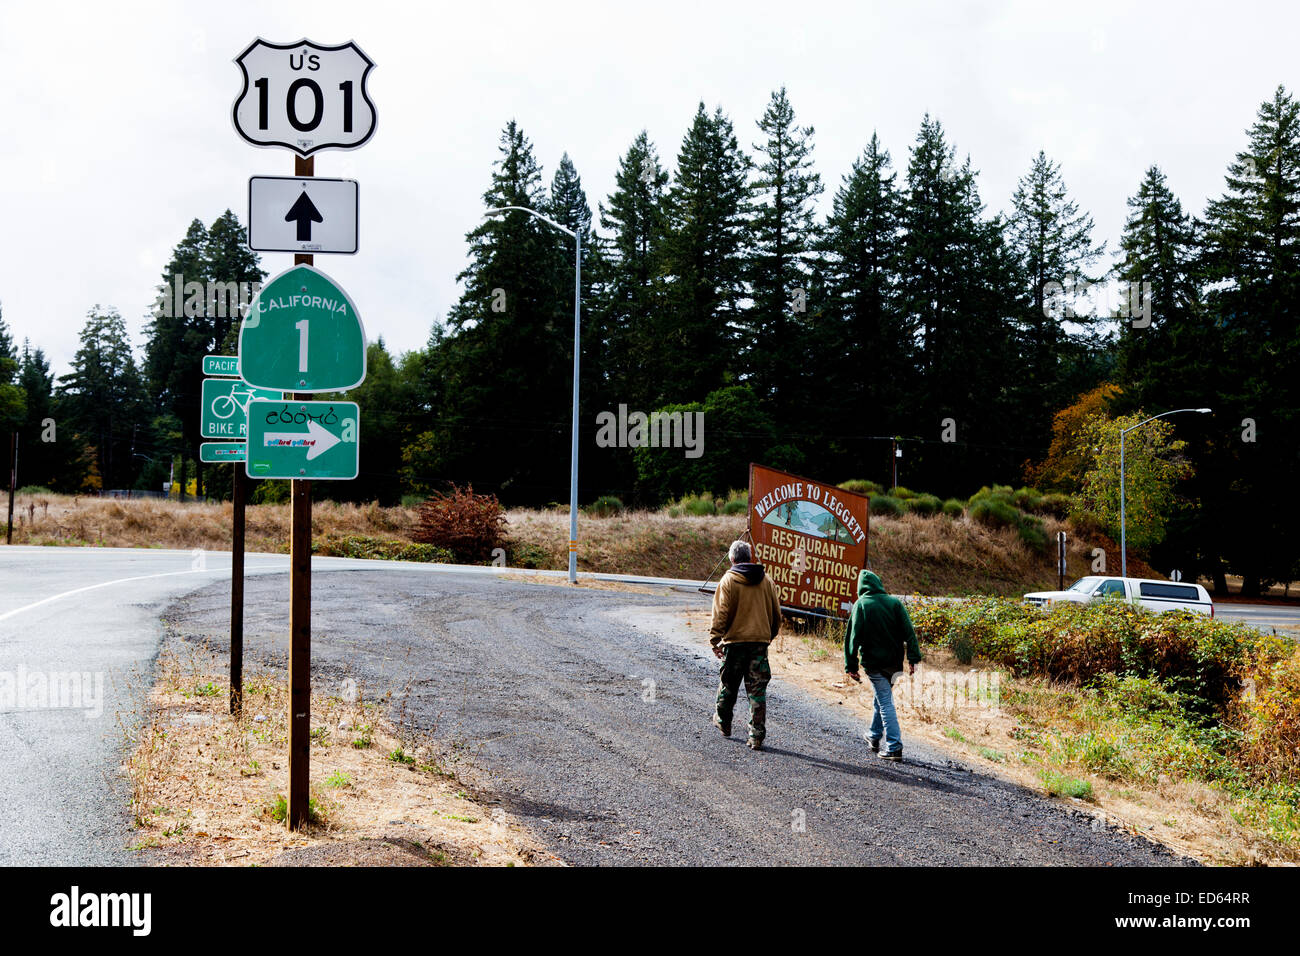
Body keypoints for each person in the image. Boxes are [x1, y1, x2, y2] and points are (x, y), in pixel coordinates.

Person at [708, 540, 782, 750]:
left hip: (734, 643)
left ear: (732, 559)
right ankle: (756, 736)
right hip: (759, 644)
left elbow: (720, 614)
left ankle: (724, 723)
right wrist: (767, 636)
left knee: (728, 686)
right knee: (757, 691)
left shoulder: (728, 580)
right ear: (749, 557)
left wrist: (715, 639)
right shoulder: (766, 580)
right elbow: (777, 616)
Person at [844, 569, 923, 762]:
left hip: (874, 664)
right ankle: (873, 735)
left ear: (861, 587)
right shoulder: (894, 603)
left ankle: (894, 746)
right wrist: (913, 659)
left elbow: (852, 639)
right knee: (882, 697)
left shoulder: (861, 604)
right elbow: (909, 633)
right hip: (894, 664)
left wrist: (851, 665)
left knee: (885, 701)